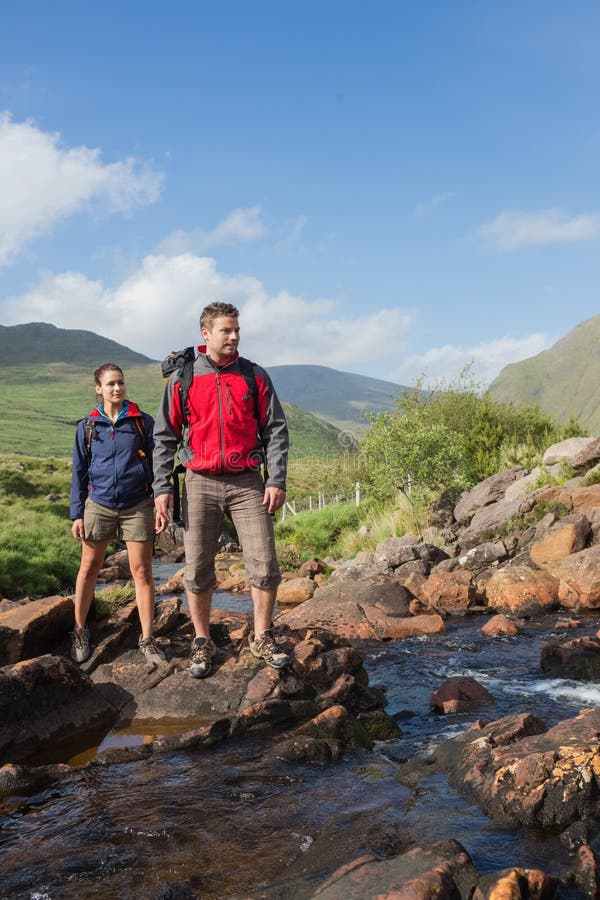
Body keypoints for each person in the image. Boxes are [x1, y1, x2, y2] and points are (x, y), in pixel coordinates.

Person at [153, 301, 290, 678]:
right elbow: (164, 437)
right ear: (206, 334)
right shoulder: (183, 379)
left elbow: (276, 430)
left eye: (237, 330)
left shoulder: (254, 376)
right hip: (199, 482)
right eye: (226, 330)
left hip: (248, 481)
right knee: (197, 568)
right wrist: (162, 487)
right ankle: (201, 641)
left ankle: (262, 635)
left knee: (264, 564)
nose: (234, 337)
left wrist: (276, 478)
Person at [69, 363, 166, 666]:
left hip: (137, 504)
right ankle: (80, 630)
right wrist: (77, 512)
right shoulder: (88, 426)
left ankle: (148, 639)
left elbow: (159, 462)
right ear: (98, 389)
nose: (117, 388)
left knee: (142, 572)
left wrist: (162, 500)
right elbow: (79, 471)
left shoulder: (142, 422)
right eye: (110, 384)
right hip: (98, 504)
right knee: (89, 567)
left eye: (121, 383)